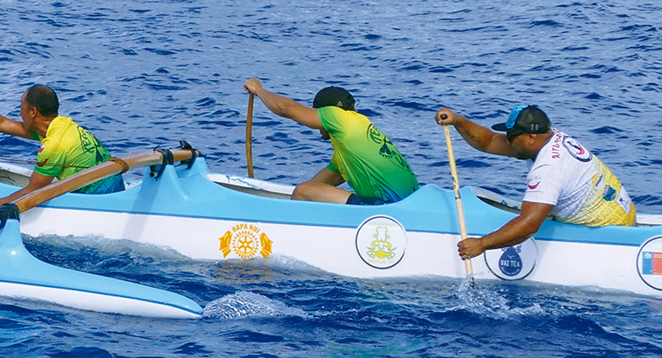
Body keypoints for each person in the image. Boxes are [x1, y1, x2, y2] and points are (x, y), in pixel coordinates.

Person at [436, 103, 636, 259]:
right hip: (622, 214)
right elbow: (489, 141)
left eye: (512, 136)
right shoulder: (548, 135)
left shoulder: (548, 169)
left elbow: (529, 225)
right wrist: (458, 121)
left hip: (610, 233)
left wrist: (481, 244)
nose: (508, 140)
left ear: (530, 137)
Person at [0, 83, 122, 217]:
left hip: (101, 203)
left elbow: (33, 192)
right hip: (116, 188)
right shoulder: (62, 125)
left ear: (33, 112)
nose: (19, 113)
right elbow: (1, 123)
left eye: (21, 108)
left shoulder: (54, 145)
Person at [242, 79, 418, 206]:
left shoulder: (340, 117)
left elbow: (287, 109)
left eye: (318, 114)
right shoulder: (353, 140)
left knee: (304, 191)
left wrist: (258, 90)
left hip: (390, 210)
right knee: (305, 191)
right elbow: (318, 186)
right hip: (408, 206)